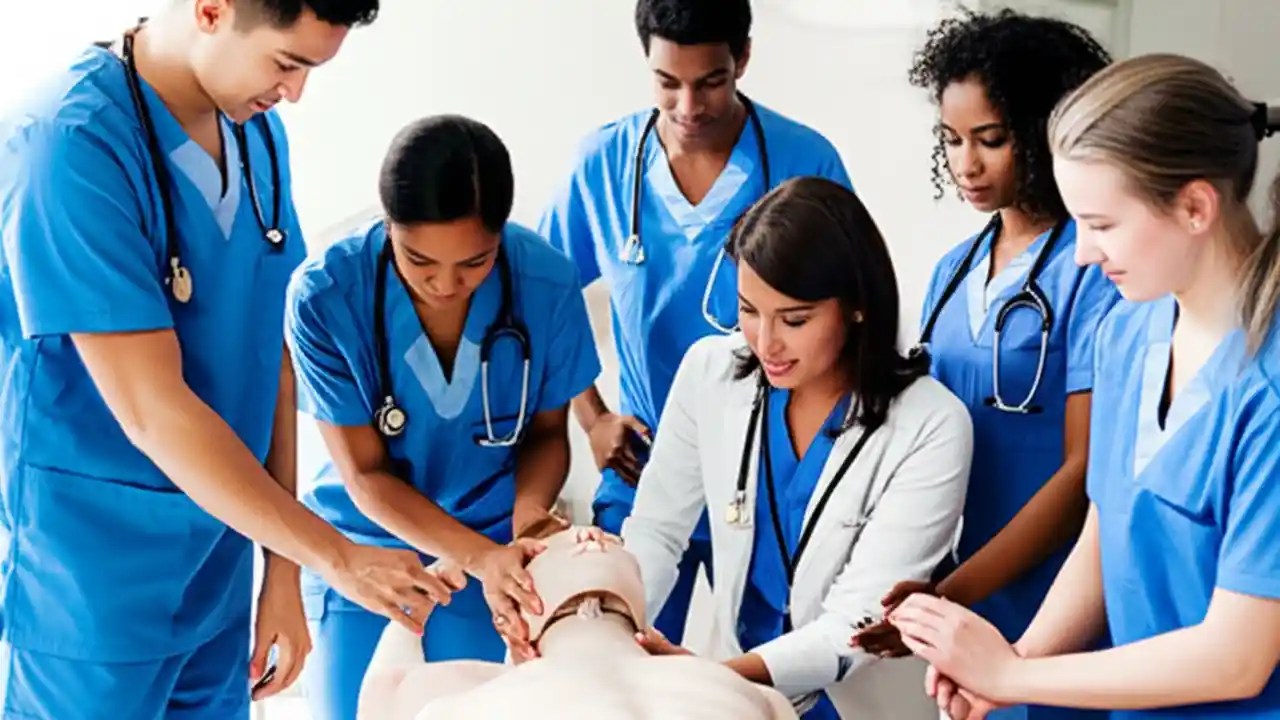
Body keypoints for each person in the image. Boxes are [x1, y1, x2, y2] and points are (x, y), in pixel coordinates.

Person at [0, 2, 458, 718]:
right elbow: (154, 410)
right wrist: (332, 556)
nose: (296, 93)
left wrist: (282, 570)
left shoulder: (255, 135)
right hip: (94, 583)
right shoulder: (67, 144)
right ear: (212, 9)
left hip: (219, 567)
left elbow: (269, 355)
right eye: (287, 63)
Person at [889, 54, 1280, 719]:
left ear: (1194, 206)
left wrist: (1013, 679)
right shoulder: (1128, 333)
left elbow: (1237, 658)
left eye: (1100, 226)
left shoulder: (1265, 391)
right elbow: (1106, 531)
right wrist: (1016, 662)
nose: (1082, 255)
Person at [538, 0, 853, 646]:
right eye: (666, 83)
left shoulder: (803, 160)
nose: (688, 106)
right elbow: (544, 299)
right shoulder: (602, 163)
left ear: (743, 58)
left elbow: (851, 306)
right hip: (644, 465)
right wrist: (593, 417)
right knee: (618, 654)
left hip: (775, 466)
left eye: (710, 81)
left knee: (787, 671)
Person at [616, 177, 973, 718]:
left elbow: (857, 622)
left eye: (795, 319)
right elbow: (659, 530)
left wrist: (709, 680)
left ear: (856, 307)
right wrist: (610, 626)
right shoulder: (710, 375)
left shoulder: (932, 425)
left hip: (860, 701)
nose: (765, 343)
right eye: (749, 310)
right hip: (741, 688)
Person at [286, 113, 602, 720]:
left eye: (476, 263)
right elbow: (366, 475)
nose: (446, 284)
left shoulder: (545, 280)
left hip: (496, 541)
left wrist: (529, 522)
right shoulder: (326, 295)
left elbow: (544, 435)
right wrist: (478, 557)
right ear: (387, 225)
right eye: (419, 260)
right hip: (370, 546)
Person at [854, 14, 1118, 719]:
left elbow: (1082, 473)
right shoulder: (951, 274)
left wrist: (950, 594)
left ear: (1041, 133)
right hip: (966, 591)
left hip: (1065, 592)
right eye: (952, 140)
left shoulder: (1094, 271)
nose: (966, 164)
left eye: (991, 140)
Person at [356, 526, 801, 719]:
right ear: (514, 630)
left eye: (607, 538)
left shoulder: (751, 695)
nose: (588, 537)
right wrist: (424, 594)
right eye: (548, 548)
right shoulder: (464, 699)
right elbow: (384, 691)